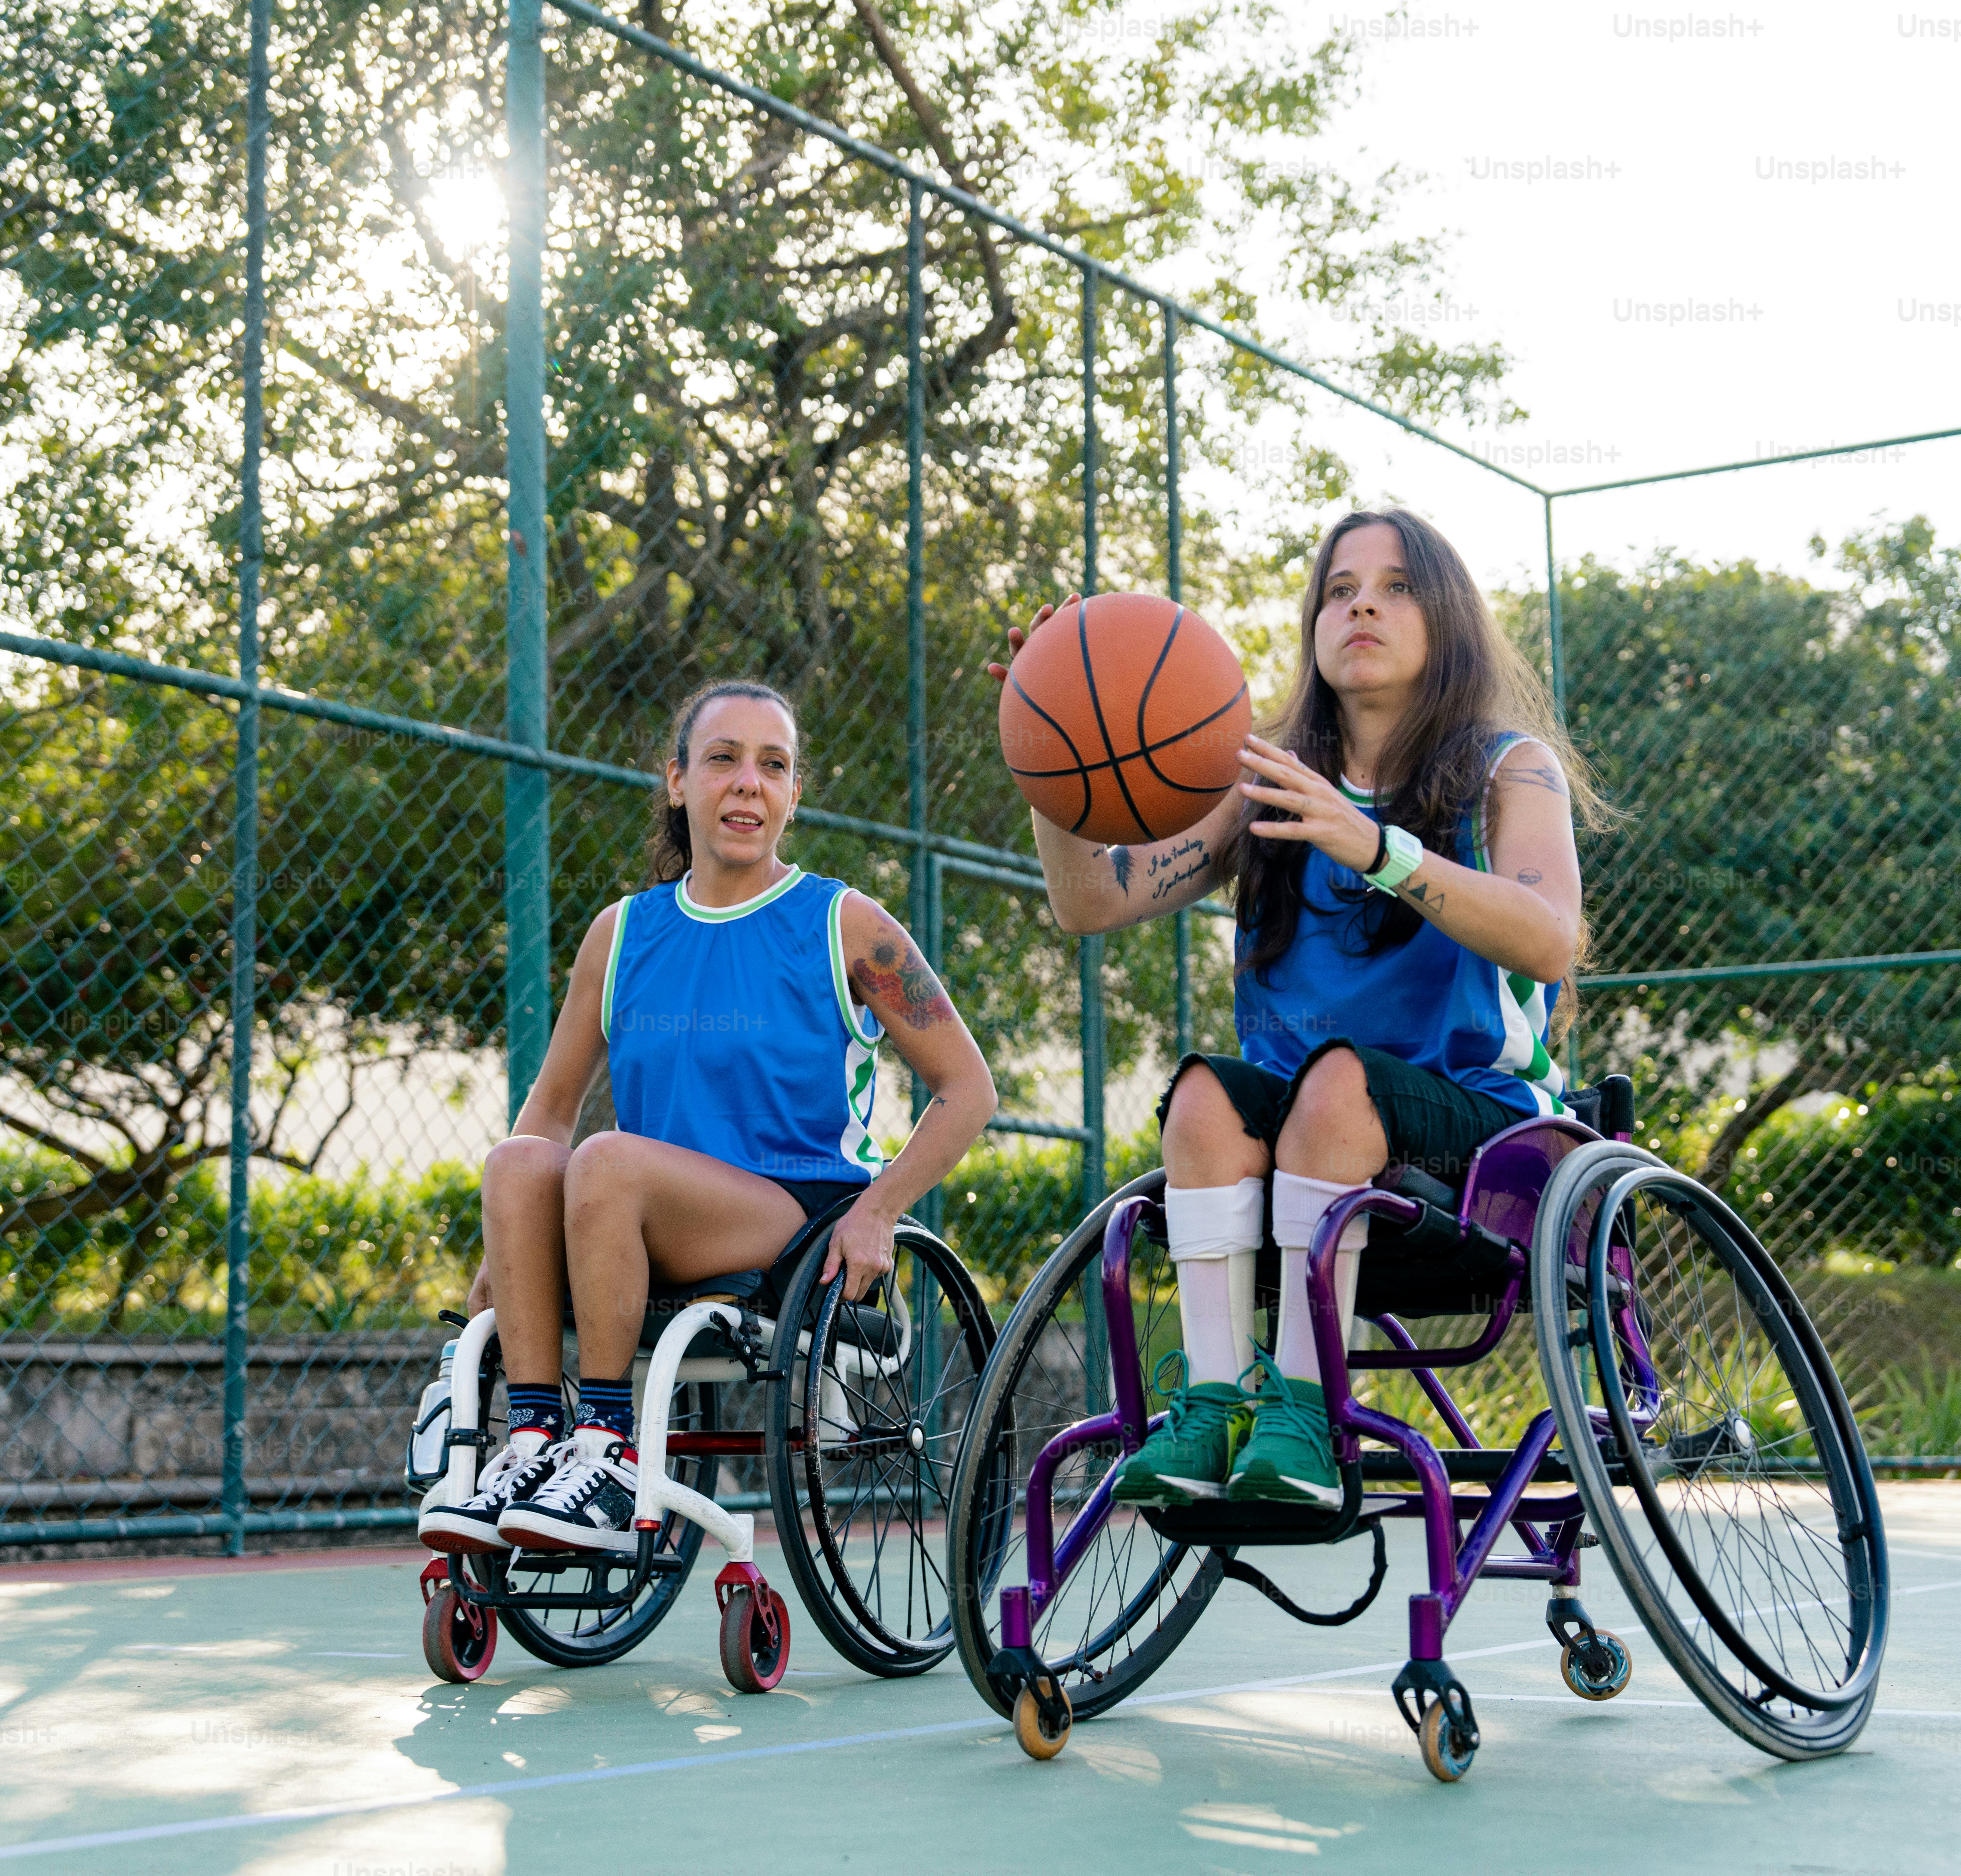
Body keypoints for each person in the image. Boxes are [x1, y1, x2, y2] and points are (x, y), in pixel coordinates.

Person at [995, 507, 1602, 1507]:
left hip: (1479, 1130)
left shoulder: (1506, 766)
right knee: (1201, 1099)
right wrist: (1047, 754)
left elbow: (1548, 936)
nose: (1360, 599)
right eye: (1338, 586)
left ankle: (1304, 1417)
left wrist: (1373, 845)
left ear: (1444, 618)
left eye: (1396, 584)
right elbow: (1089, 899)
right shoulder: (1262, 782)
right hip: (1305, 1133)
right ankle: (1216, 1404)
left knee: (1334, 1083)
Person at [421, 679, 996, 1555]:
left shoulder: (848, 926)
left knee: (608, 1162)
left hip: (797, 1224)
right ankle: (533, 1440)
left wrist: (880, 1209)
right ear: (677, 780)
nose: (748, 784)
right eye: (723, 759)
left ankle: (606, 1449)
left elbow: (968, 1089)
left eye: (773, 766)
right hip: (639, 1215)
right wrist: (505, 1249)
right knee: (516, 1163)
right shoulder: (620, 935)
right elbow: (548, 1112)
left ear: (793, 794)